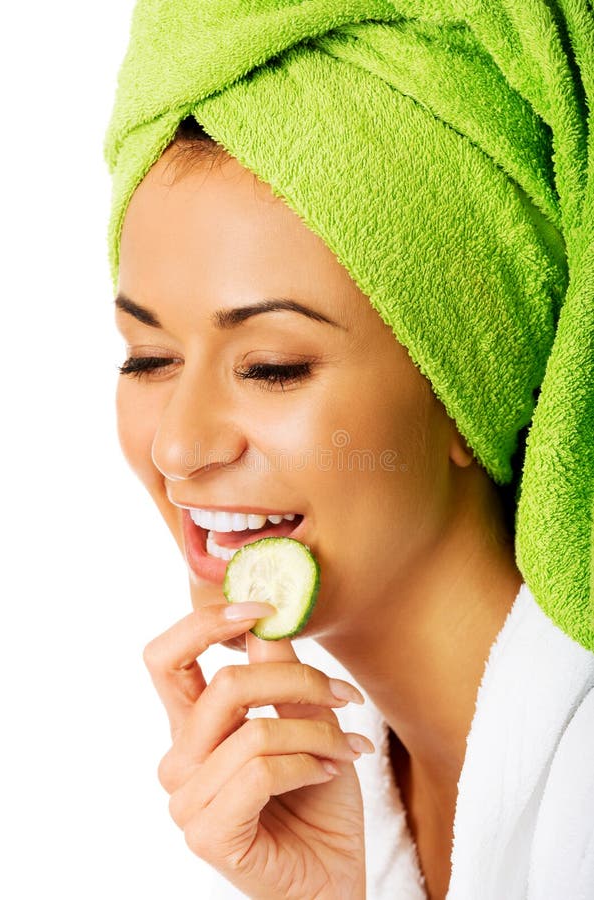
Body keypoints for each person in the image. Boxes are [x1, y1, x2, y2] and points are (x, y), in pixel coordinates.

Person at [104, 3, 594, 898]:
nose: (178, 445)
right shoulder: (347, 794)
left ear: (465, 381)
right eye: (148, 359)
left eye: (272, 367)